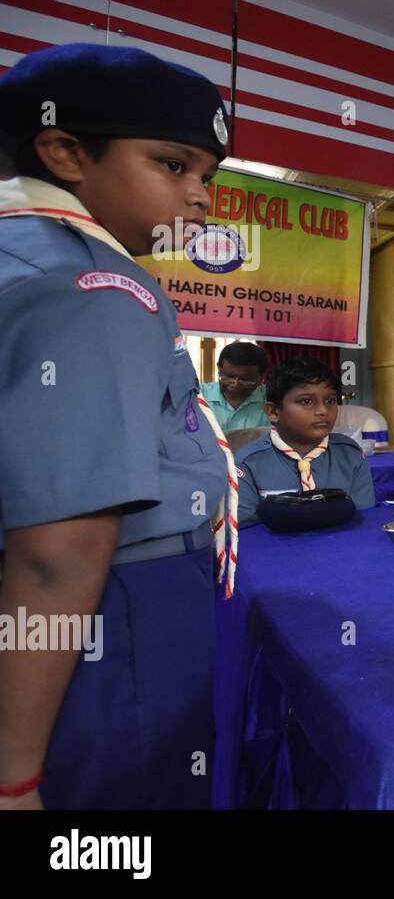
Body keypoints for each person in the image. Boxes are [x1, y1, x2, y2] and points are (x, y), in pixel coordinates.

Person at [0, 43, 234, 809]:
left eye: (208, 175)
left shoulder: (22, 252)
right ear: (65, 151)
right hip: (116, 603)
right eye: (174, 165)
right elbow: (56, 552)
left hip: (81, 606)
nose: (201, 198)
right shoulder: (94, 285)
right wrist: (15, 776)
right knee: (129, 801)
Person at [234, 357, 376, 526]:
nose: (323, 411)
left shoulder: (350, 455)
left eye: (330, 401)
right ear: (273, 412)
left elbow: (363, 520)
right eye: (306, 401)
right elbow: (245, 534)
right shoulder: (248, 464)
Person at [200, 340, 269, 433]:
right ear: (219, 369)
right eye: (229, 376)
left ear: (262, 377)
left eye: (245, 380)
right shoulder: (198, 395)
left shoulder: (272, 399)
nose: (235, 384)